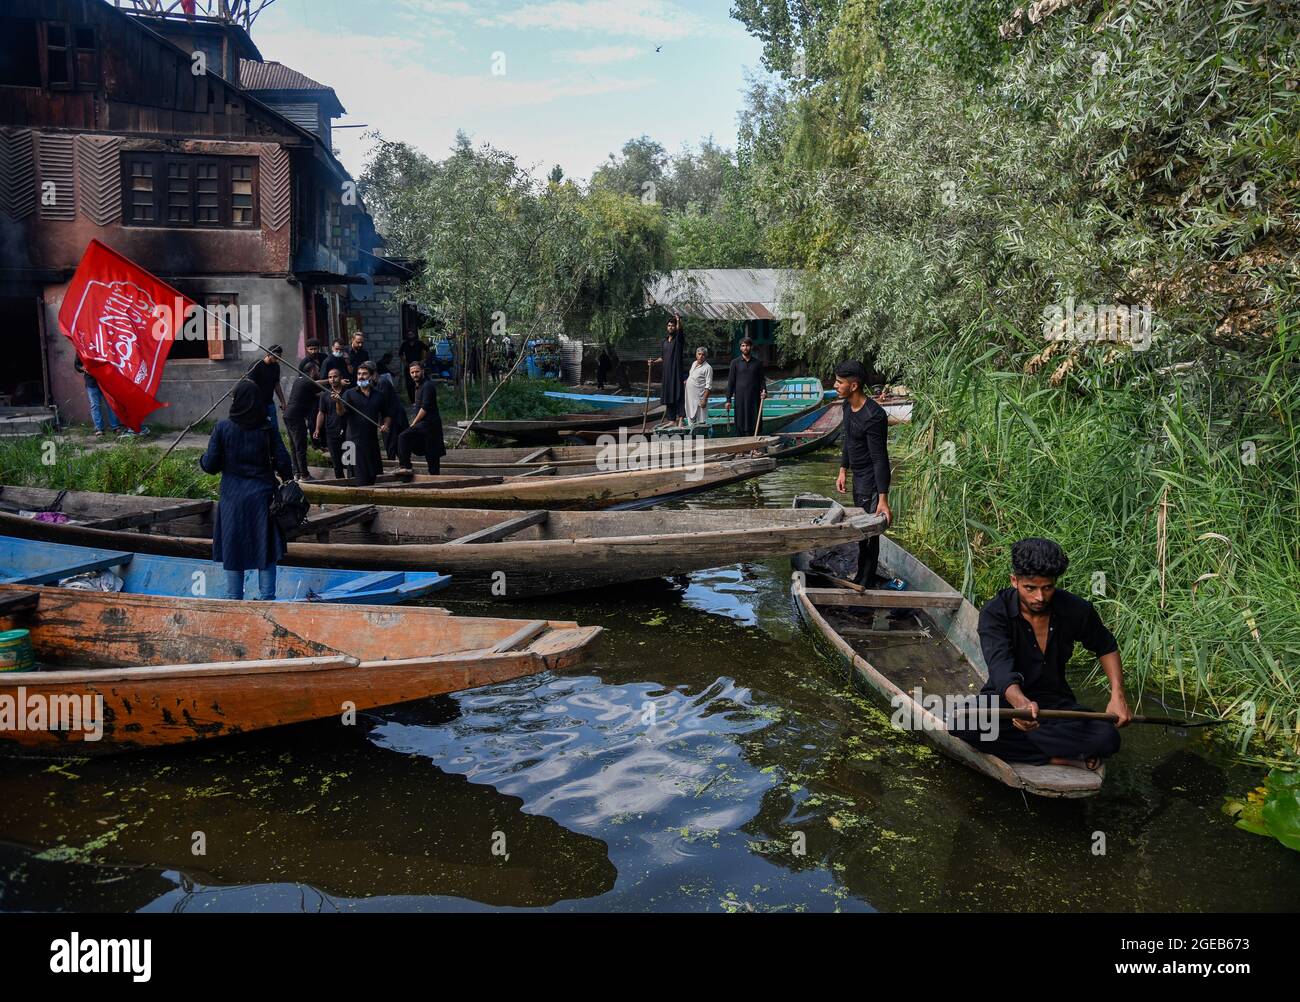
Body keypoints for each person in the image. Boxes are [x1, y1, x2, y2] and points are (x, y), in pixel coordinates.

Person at [950, 538, 1132, 771]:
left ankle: (1035, 750)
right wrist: (1020, 704)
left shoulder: (1075, 609)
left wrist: (1118, 696)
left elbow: (1106, 646)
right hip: (1007, 703)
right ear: (1014, 581)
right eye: (1030, 588)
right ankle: (1054, 756)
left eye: (1047, 587)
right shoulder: (996, 612)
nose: (1040, 597)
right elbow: (1000, 667)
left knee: (1108, 737)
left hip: (1055, 704)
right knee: (964, 723)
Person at [199, 379, 293, 600]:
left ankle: (234, 599)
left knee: (234, 547)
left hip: (232, 499)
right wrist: (288, 482)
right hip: (263, 498)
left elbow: (210, 465)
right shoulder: (267, 427)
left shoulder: (222, 428)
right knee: (266, 548)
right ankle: (268, 599)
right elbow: (283, 460)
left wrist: (202, 460)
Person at [833, 360, 892, 586]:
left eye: (840, 382)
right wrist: (842, 469)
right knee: (861, 532)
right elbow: (848, 440)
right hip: (857, 478)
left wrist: (883, 499)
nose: (836, 386)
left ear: (854, 386)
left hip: (871, 481)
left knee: (869, 534)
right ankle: (861, 575)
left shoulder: (873, 416)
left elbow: (880, 459)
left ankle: (864, 582)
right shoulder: (847, 407)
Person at [337, 361, 391, 486]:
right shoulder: (349, 394)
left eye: (364, 374)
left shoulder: (379, 395)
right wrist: (338, 402)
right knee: (355, 475)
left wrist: (386, 425)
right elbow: (340, 413)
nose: (361, 376)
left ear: (371, 376)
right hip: (352, 442)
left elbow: (387, 414)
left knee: (372, 475)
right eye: (359, 374)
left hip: (371, 441)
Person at [396, 360, 447, 475]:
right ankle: (406, 467)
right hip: (423, 426)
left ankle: (406, 467)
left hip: (430, 425)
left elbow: (424, 408)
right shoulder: (418, 386)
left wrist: (413, 423)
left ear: (422, 371)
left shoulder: (428, 386)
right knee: (404, 438)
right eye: (412, 372)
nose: (415, 374)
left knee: (432, 457)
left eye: (417, 372)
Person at [283, 358, 326, 479]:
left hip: (288, 415)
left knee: (294, 445)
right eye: (317, 370)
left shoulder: (299, 380)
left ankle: (297, 472)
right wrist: (333, 380)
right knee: (300, 446)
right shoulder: (308, 381)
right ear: (312, 371)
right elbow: (317, 385)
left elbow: (317, 394)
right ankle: (305, 475)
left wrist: (329, 394)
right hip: (296, 417)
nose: (318, 373)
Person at [725, 335, 766, 437]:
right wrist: (728, 400)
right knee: (740, 420)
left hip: (754, 398)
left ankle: (754, 446)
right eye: (743, 346)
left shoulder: (757, 363)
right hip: (740, 398)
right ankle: (741, 449)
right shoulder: (735, 363)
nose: (745, 348)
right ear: (740, 348)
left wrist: (764, 391)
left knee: (754, 419)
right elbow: (731, 382)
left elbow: (762, 380)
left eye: (747, 345)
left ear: (751, 347)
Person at [650, 315, 687, 427]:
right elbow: (663, 357)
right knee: (668, 394)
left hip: (676, 372)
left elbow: (680, 330)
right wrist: (654, 362)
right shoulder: (664, 341)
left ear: (675, 327)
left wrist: (678, 320)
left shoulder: (678, 339)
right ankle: (672, 420)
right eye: (669, 325)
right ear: (667, 327)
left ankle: (681, 419)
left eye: (673, 325)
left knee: (679, 394)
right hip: (667, 373)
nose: (671, 327)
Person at [313, 363, 348, 478]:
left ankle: (354, 483)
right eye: (330, 377)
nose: (333, 379)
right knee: (336, 462)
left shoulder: (348, 393)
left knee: (350, 461)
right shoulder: (325, 395)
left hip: (348, 431)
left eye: (335, 376)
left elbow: (344, 412)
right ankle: (340, 484)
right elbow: (321, 413)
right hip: (331, 431)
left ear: (341, 377)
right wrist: (317, 429)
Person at [75, 355, 120, 436]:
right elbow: (77, 365)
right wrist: (83, 368)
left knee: (111, 404)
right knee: (95, 405)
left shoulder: (102, 344)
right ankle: (99, 429)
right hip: (91, 382)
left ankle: (115, 427)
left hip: (106, 380)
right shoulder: (82, 348)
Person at [376, 357, 409, 459]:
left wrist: (385, 423)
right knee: (393, 443)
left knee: (393, 443)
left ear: (373, 374)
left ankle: (399, 465)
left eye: (365, 374)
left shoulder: (382, 383)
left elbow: (385, 404)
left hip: (394, 417)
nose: (362, 377)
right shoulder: (378, 383)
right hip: (391, 415)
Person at [248, 345, 287, 430]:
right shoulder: (256, 365)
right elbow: (250, 384)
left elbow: (277, 384)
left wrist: (283, 401)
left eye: (279, 357)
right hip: (257, 403)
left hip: (269, 402)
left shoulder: (276, 366)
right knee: (259, 428)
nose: (277, 360)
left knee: (274, 427)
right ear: (268, 354)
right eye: (276, 357)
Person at [684, 346, 713, 428]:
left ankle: (700, 437)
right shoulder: (694, 363)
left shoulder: (708, 368)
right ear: (696, 355)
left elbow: (709, 386)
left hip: (699, 398)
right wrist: (688, 381)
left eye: (703, 354)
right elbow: (692, 375)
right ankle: (691, 437)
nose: (700, 356)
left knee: (700, 421)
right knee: (690, 417)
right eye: (699, 354)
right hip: (690, 397)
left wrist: (704, 400)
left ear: (706, 356)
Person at [399, 330, 426, 402]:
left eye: (412, 334)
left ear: (414, 335)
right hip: (409, 367)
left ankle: (420, 399)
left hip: (418, 366)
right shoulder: (405, 344)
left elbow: (428, 350)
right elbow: (400, 354)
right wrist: (404, 362)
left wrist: (423, 361)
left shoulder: (419, 343)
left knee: (420, 383)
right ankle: (412, 401)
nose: (410, 336)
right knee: (409, 385)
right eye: (409, 334)